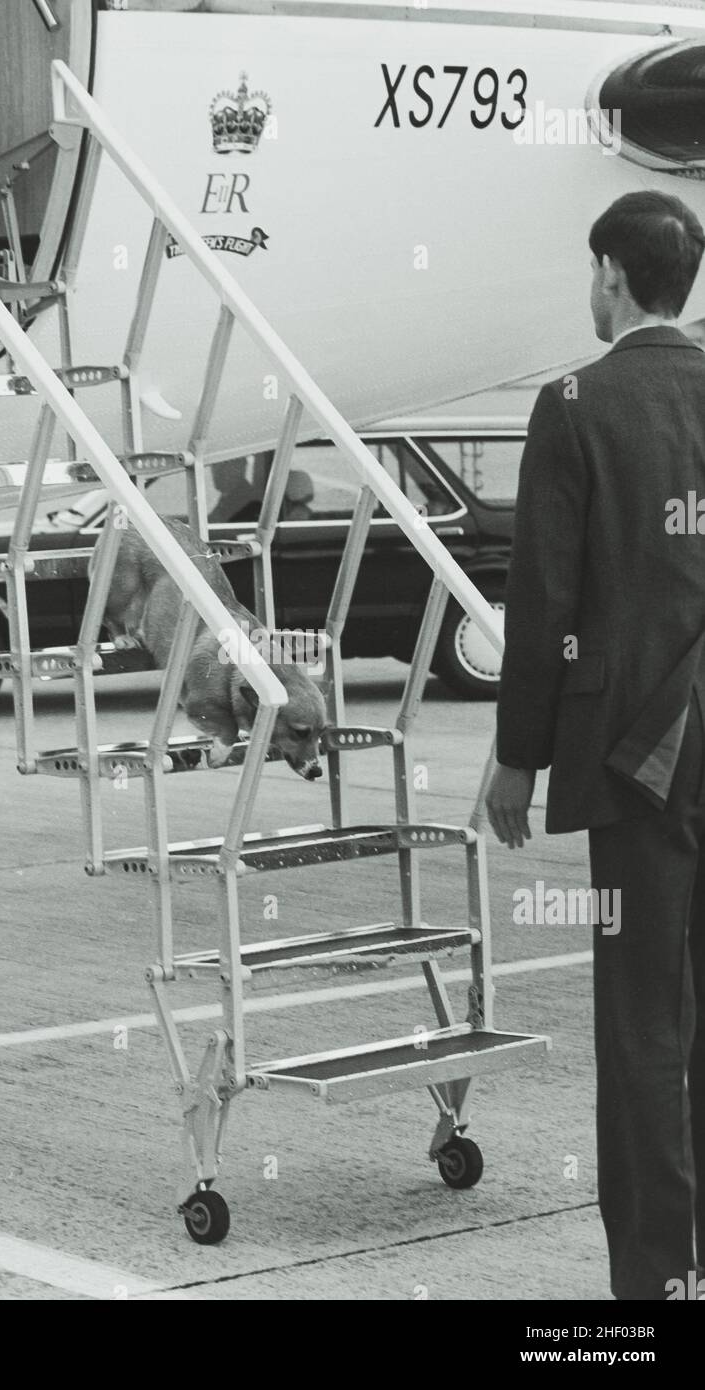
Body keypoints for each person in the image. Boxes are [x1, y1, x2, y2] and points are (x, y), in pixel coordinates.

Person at [486, 190, 705, 1300]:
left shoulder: (575, 406)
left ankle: (660, 1280)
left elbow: (543, 598)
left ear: (614, 275)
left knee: (641, 1022)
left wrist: (517, 754)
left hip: (639, 765)